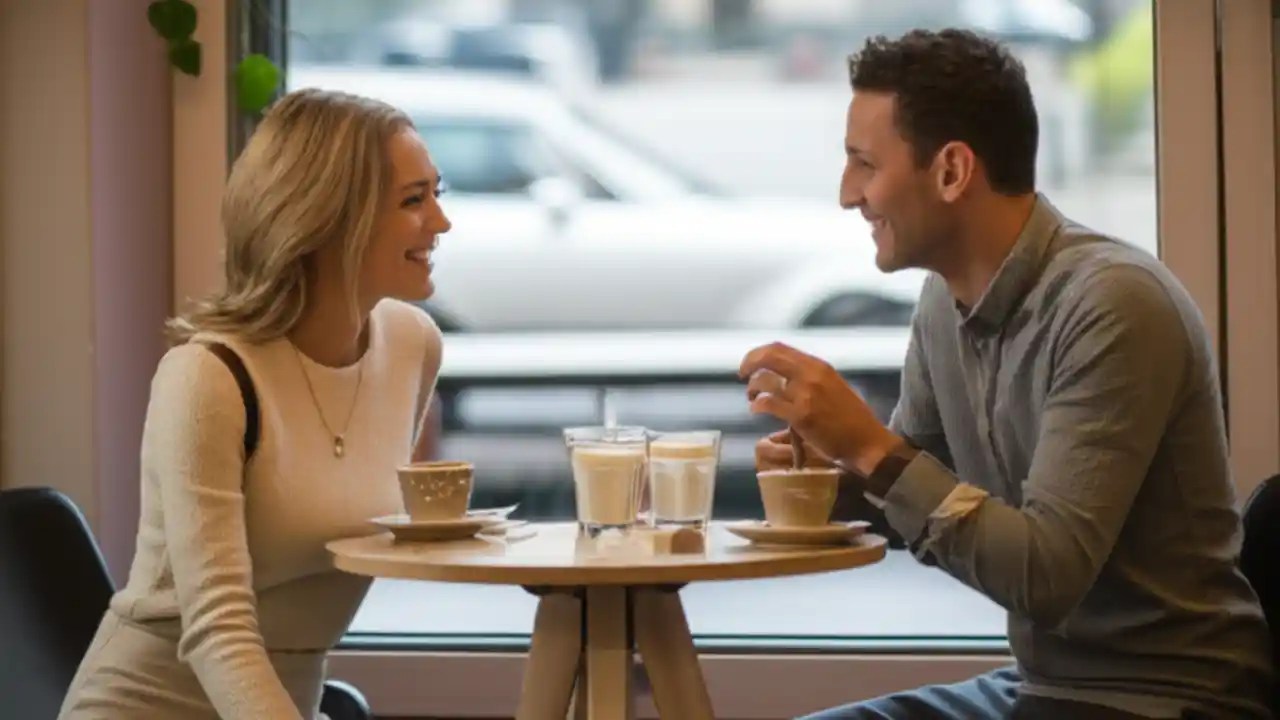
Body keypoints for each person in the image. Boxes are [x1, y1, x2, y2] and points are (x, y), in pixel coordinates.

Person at [743, 29, 1274, 719]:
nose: (849, 194)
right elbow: (919, 506)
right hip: (1039, 685)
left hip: (1170, 697)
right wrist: (832, 477)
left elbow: (1045, 575)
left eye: (865, 164)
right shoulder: (944, 303)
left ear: (953, 171)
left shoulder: (1112, 304)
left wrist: (869, 447)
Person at [59, 88, 451, 719]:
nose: (441, 221)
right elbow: (217, 626)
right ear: (329, 218)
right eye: (413, 200)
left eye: (439, 192)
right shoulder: (207, 377)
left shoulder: (414, 345)